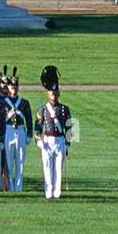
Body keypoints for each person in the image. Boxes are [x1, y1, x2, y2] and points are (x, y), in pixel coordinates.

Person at [34, 65, 72, 201]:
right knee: (47, 166)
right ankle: (48, 191)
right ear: (47, 94)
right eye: (51, 93)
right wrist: (38, 139)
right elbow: (37, 126)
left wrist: (68, 143)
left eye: (55, 93)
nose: (54, 95)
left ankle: (57, 191)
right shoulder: (42, 109)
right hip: (47, 139)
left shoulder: (64, 109)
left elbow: (69, 127)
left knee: (58, 167)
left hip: (60, 139)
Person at [3, 72, 33, 193]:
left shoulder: (24, 102)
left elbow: (29, 119)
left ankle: (19, 187)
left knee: (20, 161)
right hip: (8, 130)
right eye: (11, 86)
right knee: (9, 162)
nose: (13, 88)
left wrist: (29, 134)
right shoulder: (3, 102)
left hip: (20, 130)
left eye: (15, 86)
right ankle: (11, 187)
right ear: (8, 88)